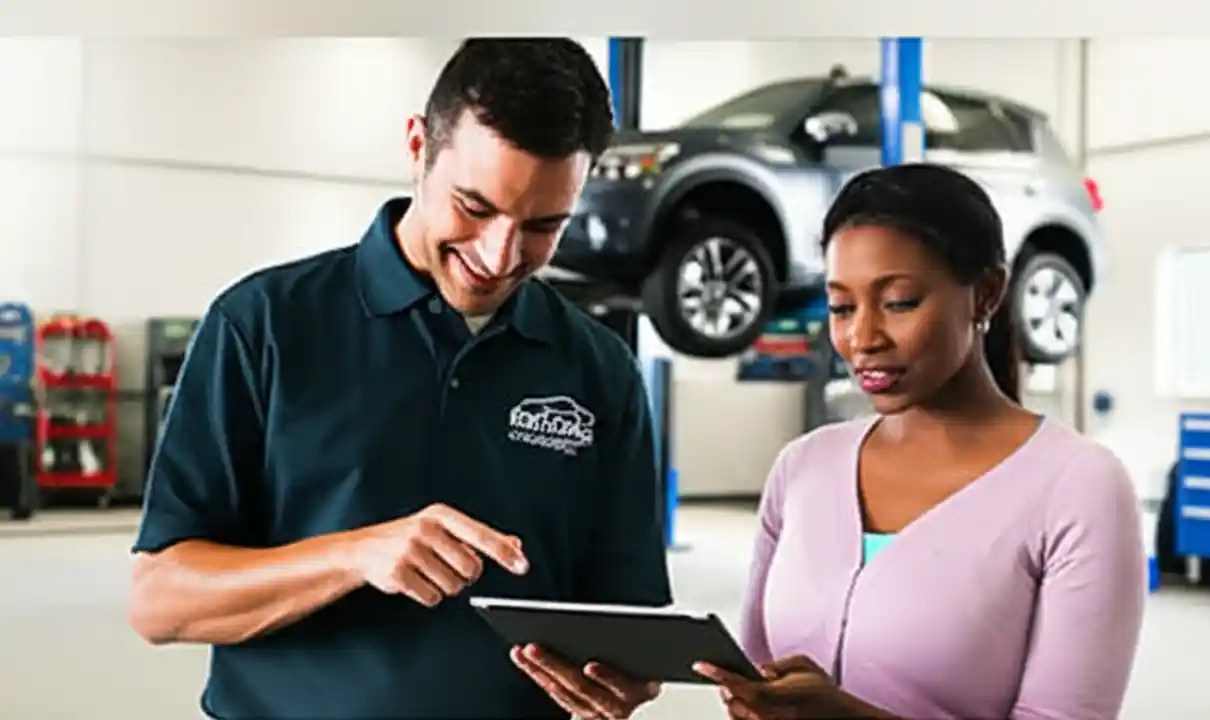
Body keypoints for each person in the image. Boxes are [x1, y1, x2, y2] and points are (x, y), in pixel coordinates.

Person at [127, 38, 672, 720]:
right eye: (474, 207)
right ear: (417, 146)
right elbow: (159, 601)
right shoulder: (263, 324)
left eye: (543, 225)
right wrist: (354, 556)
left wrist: (626, 679)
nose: (499, 255)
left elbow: (629, 618)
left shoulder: (599, 369)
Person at [693, 163, 1147, 720]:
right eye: (841, 307)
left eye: (900, 301)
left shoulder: (1079, 487)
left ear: (985, 294)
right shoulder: (804, 466)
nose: (862, 338)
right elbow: (758, 675)